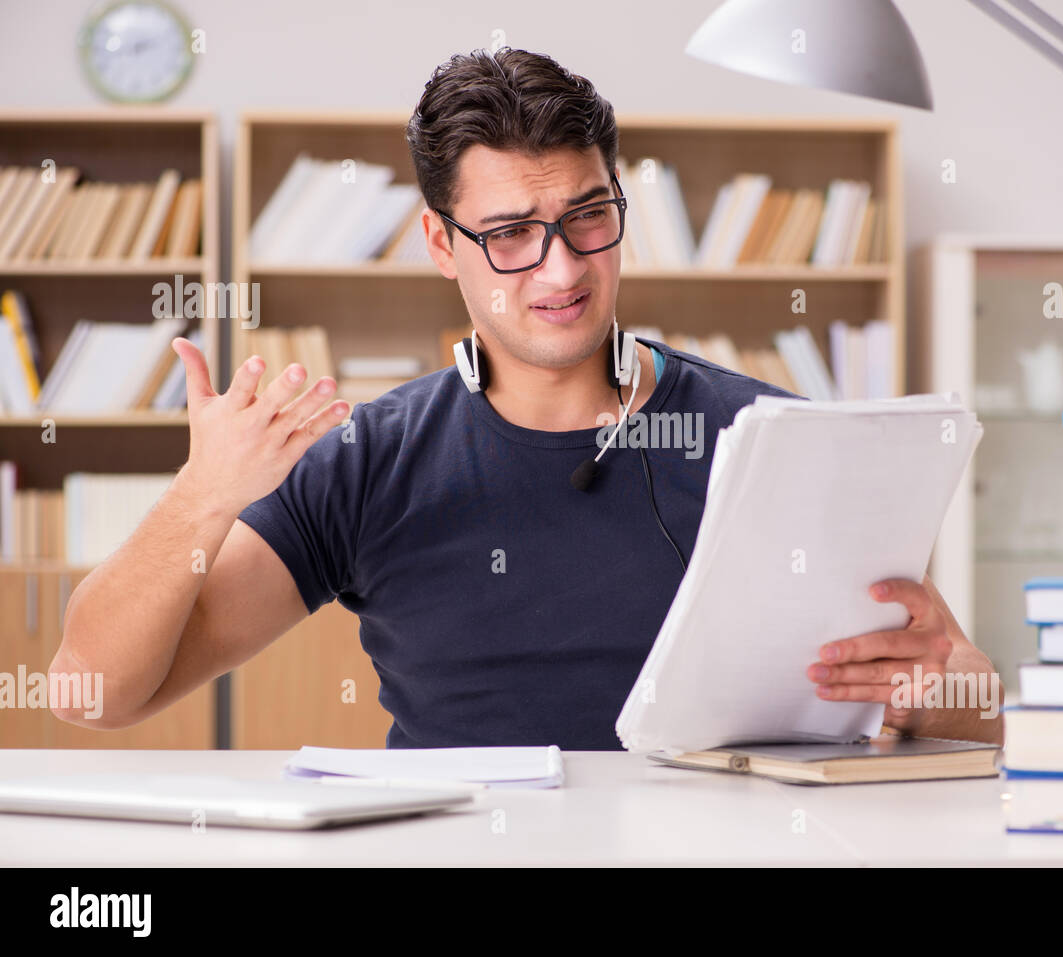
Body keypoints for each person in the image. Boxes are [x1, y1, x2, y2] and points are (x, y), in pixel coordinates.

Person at [49, 47, 1003, 749]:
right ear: (439, 243)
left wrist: (955, 690)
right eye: (510, 232)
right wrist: (202, 497)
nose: (561, 268)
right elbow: (92, 693)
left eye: (589, 216)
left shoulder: (774, 440)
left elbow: (962, 708)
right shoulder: (367, 459)